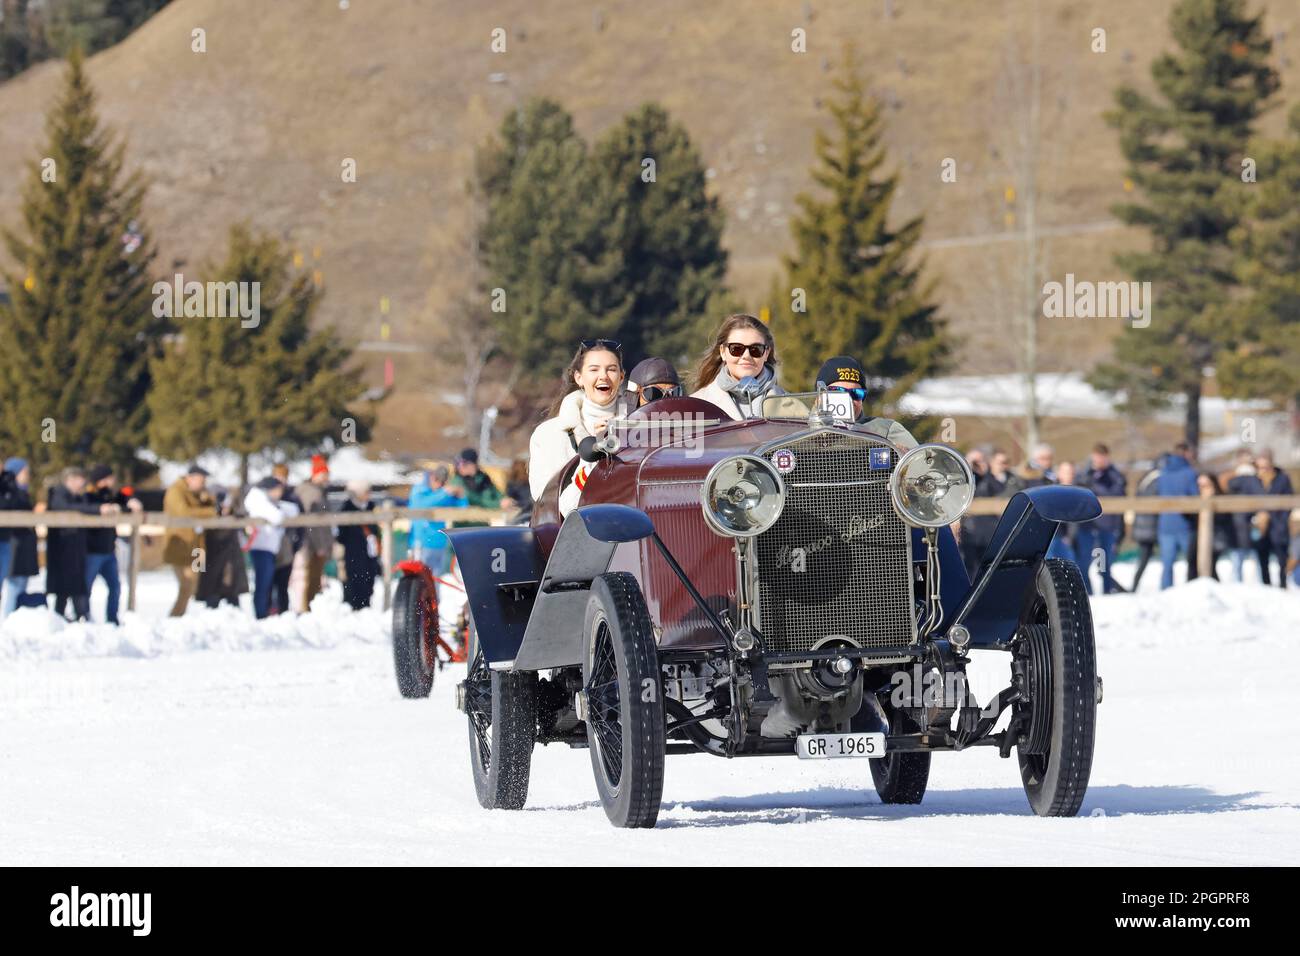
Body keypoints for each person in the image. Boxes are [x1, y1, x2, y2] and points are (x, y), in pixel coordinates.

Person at [528, 340, 626, 512]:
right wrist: (592, 456)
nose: (603, 376)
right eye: (594, 369)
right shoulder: (549, 434)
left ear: (622, 377)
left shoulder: (638, 429)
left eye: (611, 369)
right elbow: (556, 507)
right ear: (578, 377)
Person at [47, 467, 117, 621]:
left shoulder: (77, 496)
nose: (83, 483)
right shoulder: (59, 494)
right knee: (65, 586)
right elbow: (67, 508)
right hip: (62, 547)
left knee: (74, 584)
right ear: (71, 479)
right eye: (80, 479)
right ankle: (61, 617)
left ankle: (79, 615)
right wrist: (98, 509)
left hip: (75, 548)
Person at [690, 313, 785, 420]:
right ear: (723, 352)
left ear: (766, 353)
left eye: (756, 349)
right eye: (736, 349)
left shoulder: (793, 406)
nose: (746, 356)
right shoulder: (695, 406)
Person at [813, 356, 917, 448]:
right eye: (838, 392)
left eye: (856, 393)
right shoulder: (798, 431)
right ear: (819, 397)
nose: (848, 400)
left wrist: (901, 458)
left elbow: (924, 464)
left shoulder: (886, 432)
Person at [84, 464, 143, 625]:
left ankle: (112, 619)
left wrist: (131, 501)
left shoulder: (111, 494)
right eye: (109, 478)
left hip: (109, 550)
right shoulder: (89, 494)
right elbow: (84, 507)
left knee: (115, 586)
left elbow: (126, 494)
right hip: (92, 550)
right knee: (86, 587)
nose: (112, 481)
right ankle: (84, 616)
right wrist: (100, 509)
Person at [162, 465, 217, 617]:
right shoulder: (176, 491)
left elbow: (207, 509)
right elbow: (183, 513)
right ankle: (175, 617)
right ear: (190, 478)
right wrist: (210, 512)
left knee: (194, 586)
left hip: (198, 546)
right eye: (201, 480)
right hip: (181, 546)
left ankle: (180, 616)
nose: (203, 484)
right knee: (186, 585)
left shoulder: (198, 493)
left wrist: (209, 502)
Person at [1075, 443, 1126, 595]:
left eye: (1100, 458)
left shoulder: (1114, 476)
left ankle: (1106, 592)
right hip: (1087, 526)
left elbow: (1116, 495)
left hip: (1106, 525)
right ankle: (1087, 593)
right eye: (1095, 458)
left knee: (1103, 564)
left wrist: (1095, 487)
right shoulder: (1086, 474)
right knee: (1083, 563)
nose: (1097, 461)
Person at [196, 484, 249, 610]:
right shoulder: (209, 516)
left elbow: (245, 535)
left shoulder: (236, 517)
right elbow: (200, 543)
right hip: (213, 563)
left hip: (230, 564)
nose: (226, 508)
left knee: (233, 598)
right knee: (212, 597)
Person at [1155, 443, 1199, 590]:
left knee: (1167, 564)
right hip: (1185, 524)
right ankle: (1193, 590)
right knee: (1192, 562)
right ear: (1186, 453)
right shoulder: (1189, 473)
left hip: (1165, 524)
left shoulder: (1163, 473)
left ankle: (1165, 593)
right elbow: (1195, 496)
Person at [243, 477, 287, 620]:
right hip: (262, 546)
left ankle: (263, 611)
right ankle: (261, 613)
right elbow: (277, 517)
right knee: (262, 582)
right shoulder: (259, 500)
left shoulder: (262, 500)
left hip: (266, 546)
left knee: (265, 582)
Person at [408, 465, 466, 573]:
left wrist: (461, 496)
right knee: (420, 580)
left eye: (443, 483)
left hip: (439, 543)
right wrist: (444, 492)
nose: (440, 485)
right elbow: (423, 505)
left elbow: (462, 509)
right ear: (432, 477)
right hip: (421, 543)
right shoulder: (419, 490)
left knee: (435, 582)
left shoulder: (441, 493)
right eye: (438, 480)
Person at [295, 455, 334, 609]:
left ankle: (310, 607)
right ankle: (306, 608)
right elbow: (312, 523)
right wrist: (319, 545)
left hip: (317, 542)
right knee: (310, 578)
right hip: (311, 544)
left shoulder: (319, 492)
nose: (326, 478)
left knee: (316, 578)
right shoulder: (311, 493)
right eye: (323, 474)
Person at [1, 458, 38, 618]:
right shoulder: (8, 487)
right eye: (25, 471)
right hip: (13, 540)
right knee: (13, 583)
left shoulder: (16, 488)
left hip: (11, 540)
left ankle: (13, 618)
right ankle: (9, 617)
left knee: (18, 583)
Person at [1253, 449, 1293, 588]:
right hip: (1260, 525)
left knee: (1281, 556)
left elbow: (1289, 500)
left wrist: (1281, 519)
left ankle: (1282, 583)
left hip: (1278, 524)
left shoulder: (1282, 478)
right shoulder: (1254, 479)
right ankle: (1266, 585)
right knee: (1262, 556)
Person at [337, 479, 379, 611]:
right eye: (366, 492)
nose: (369, 494)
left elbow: (376, 528)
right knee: (353, 577)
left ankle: (366, 603)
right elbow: (342, 533)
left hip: (369, 550)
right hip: (353, 550)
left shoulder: (371, 506)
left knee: (369, 576)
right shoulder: (347, 507)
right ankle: (353, 605)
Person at [1224, 448, 1264, 583]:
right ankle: (1258, 583)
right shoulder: (1252, 480)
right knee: (1254, 556)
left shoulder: (1232, 479)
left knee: (1238, 557)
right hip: (1249, 522)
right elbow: (1260, 496)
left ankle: (1237, 582)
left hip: (1237, 524)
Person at [270, 463, 304, 614]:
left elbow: (301, 523)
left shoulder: (293, 497)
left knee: (283, 582)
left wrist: (297, 543)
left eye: (283, 477)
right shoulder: (265, 495)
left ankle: (283, 611)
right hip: (269, 544)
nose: (280, 480)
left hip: (287, 544)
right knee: (268, 581)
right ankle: (268, 610)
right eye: (277, 476)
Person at [1186, 472, 1231, 582]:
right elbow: (1191, 518)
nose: (1202, 488)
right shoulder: (1196, 498)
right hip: (1198, 537)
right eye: (1200, 486)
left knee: (1209, 566)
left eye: (1206, 485)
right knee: (1192, 562)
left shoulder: (1221, 499)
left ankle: (1213, 590)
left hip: (1216, 538)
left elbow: (1224, 519)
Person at [1128, 464, 1162, 591]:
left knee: (1143, 559)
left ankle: (1134, 586)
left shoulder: (1146, 479)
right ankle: (1134, 587)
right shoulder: (1157, 480)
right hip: (1151, 527)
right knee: (1146, 559)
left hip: (1142, 526)